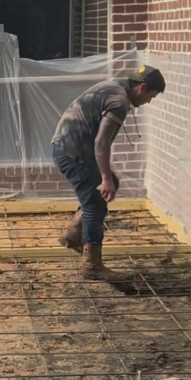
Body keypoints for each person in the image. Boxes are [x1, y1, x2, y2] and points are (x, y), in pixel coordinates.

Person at [51, 64, 166, 280]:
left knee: (110, 184)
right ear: (142, 87)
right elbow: (101, 142)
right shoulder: (119, 101)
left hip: (68, 148)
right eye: (151, 96)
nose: (149, 101)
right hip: (73, 153)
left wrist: (108, 178)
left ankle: (73, 235)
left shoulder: (112, 86)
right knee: (95, 204)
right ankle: (92, 266)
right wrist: (104, 178)